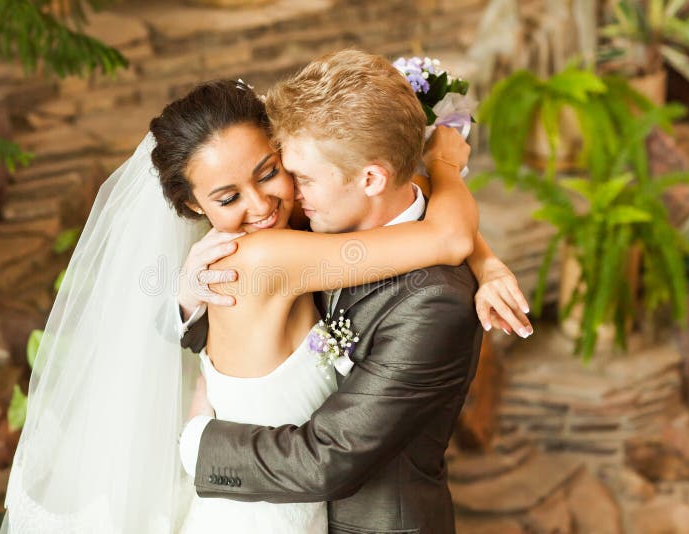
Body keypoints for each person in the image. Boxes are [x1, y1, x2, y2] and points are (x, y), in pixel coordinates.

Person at [0, 52, 529, 534]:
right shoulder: (269, 247)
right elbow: (445, 234)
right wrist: (446, 171)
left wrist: (485, 259)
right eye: (229, 196)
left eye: (275, 172)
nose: (268, 203)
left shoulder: (325, 235)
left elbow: (438, 232)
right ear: (193, 208)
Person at [175, 50, 530, 534]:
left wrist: (199, 447)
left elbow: (326, 460)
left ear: (370, 179)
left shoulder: (436, 301)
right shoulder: (318, 215)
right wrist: (188, 302)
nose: (282, 198)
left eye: (297, 178)